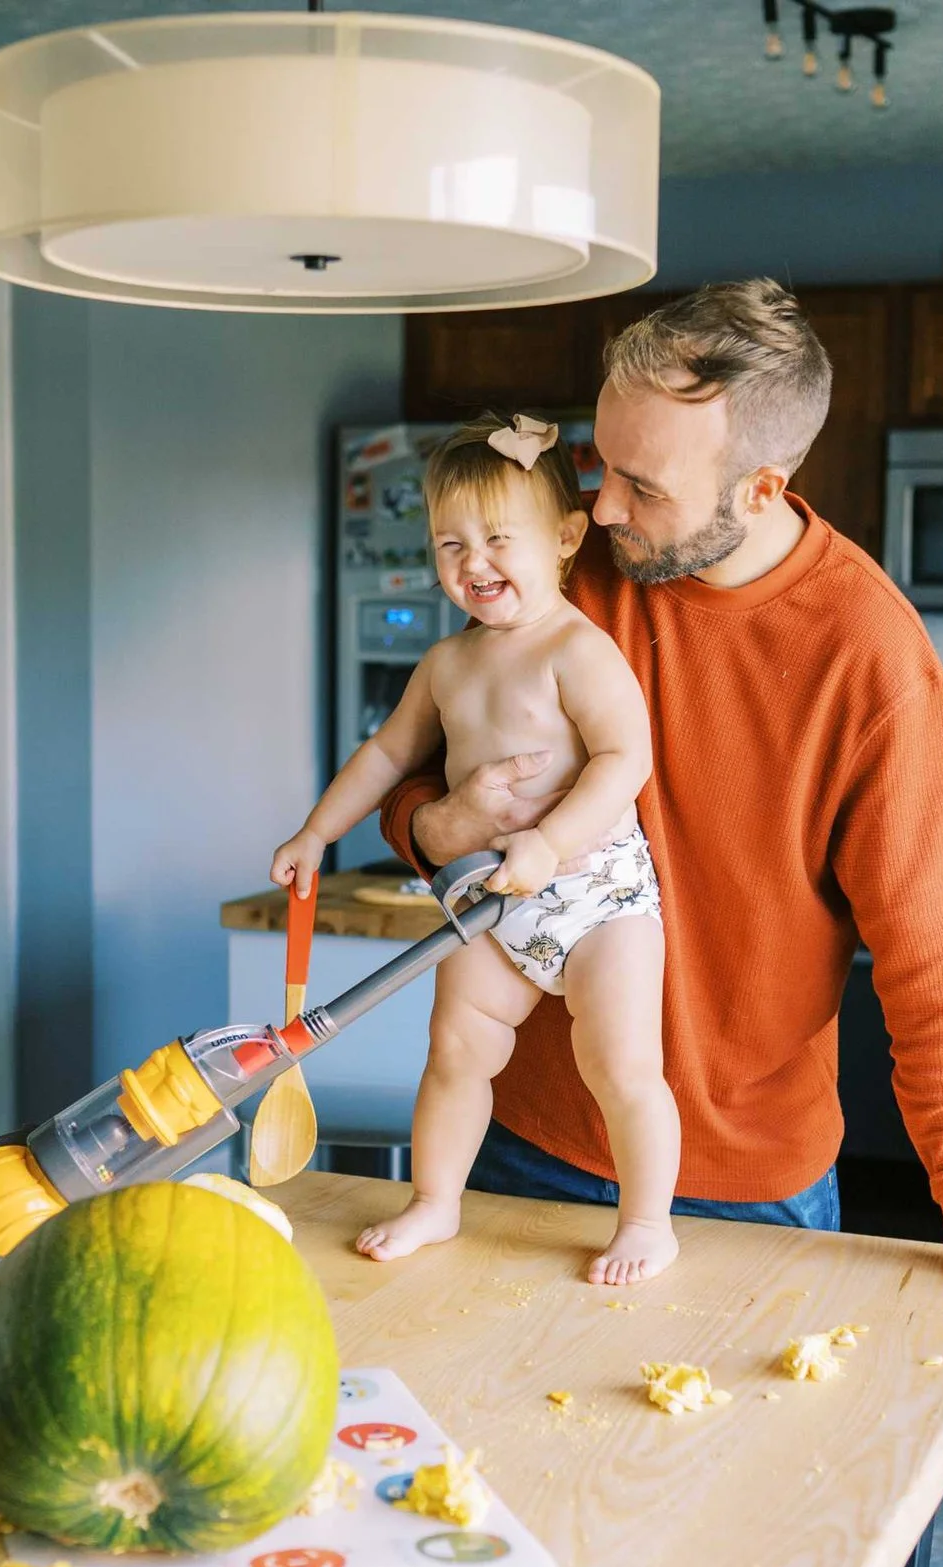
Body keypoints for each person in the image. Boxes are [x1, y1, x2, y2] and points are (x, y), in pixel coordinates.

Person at [380, 281, 943, 1356]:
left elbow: (928, 960)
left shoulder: (869, 657)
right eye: (598, 466)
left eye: (641, 485)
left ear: (760, 488)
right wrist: (439, 825)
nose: (601, 509)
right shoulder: (567, 568)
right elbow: (414, 780)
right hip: (526, 1142)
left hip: (745, 1180)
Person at [273, 413, 679, 1285]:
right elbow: (387, 755)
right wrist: (317, 833)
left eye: (499, 538)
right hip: (489, 904)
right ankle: (434, 1201)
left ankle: (648, 1222)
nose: (473, 562)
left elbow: (625, 759)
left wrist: (550, 838)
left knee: (622, 1062)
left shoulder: (577, 649)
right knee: (455, 1051)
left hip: (596, 899)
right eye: (450, 543)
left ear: (568, 537)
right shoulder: (447, 663)